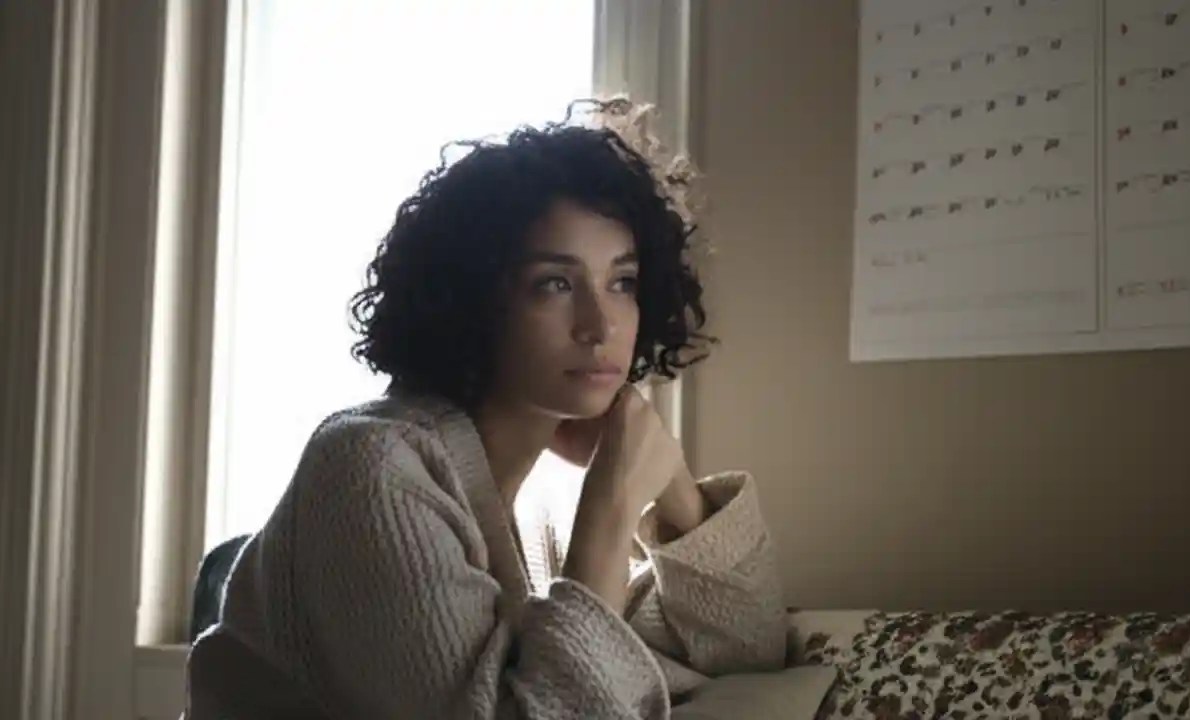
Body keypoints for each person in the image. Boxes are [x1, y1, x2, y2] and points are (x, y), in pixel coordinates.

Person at [185, 98, 787, 719]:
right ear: (474, 301)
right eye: (555, 283)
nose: (599, 324)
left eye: (623, 282)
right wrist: (610, 511)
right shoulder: (371, 464)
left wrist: (673, 489)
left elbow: (747, 655)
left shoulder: (545, 500)